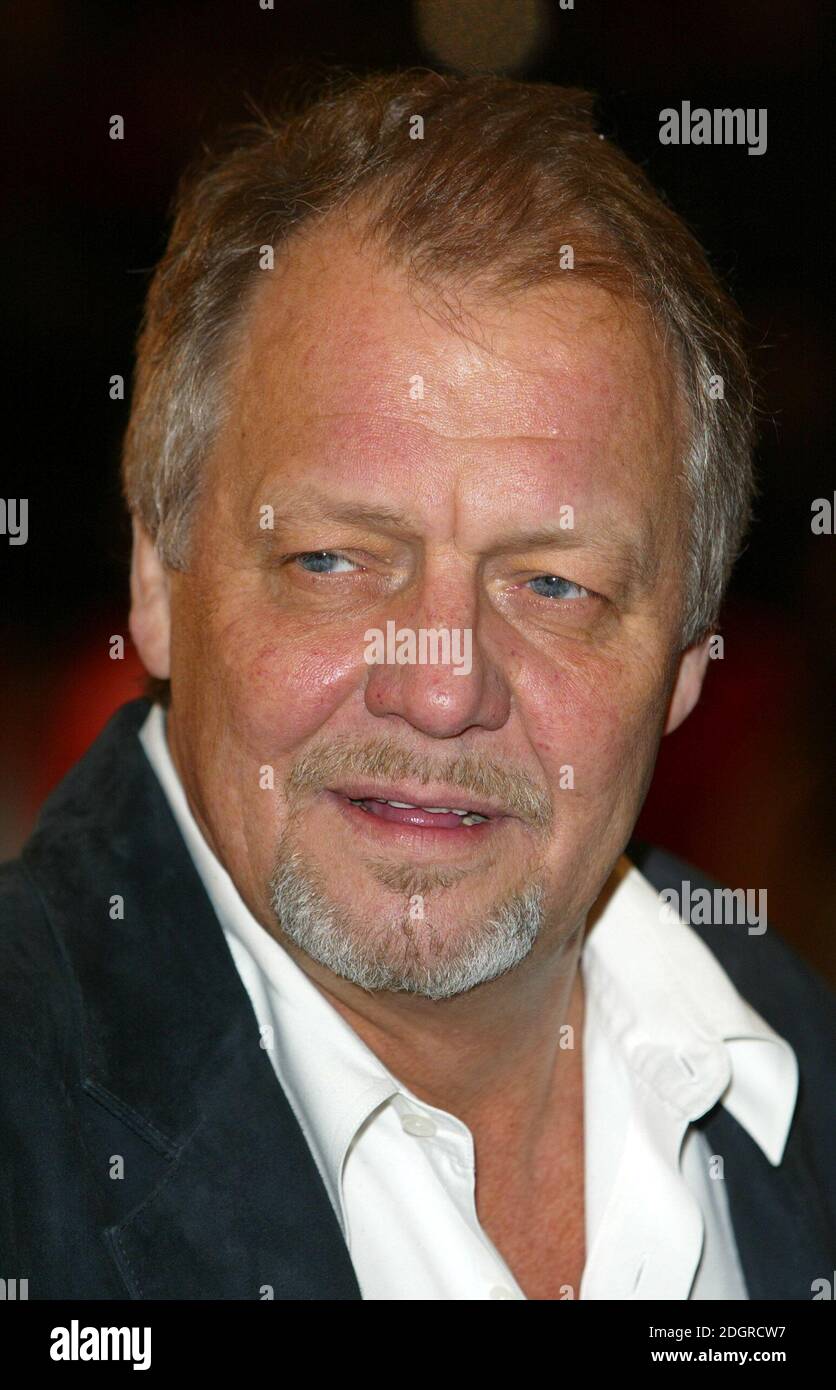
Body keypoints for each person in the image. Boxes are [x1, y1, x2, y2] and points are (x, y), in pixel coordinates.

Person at [1, 70, 833, 1301]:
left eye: (554, 585)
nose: (441, 690)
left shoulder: (796, 1064)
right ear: (158, 580)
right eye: (332, 561)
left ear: (687, 661)